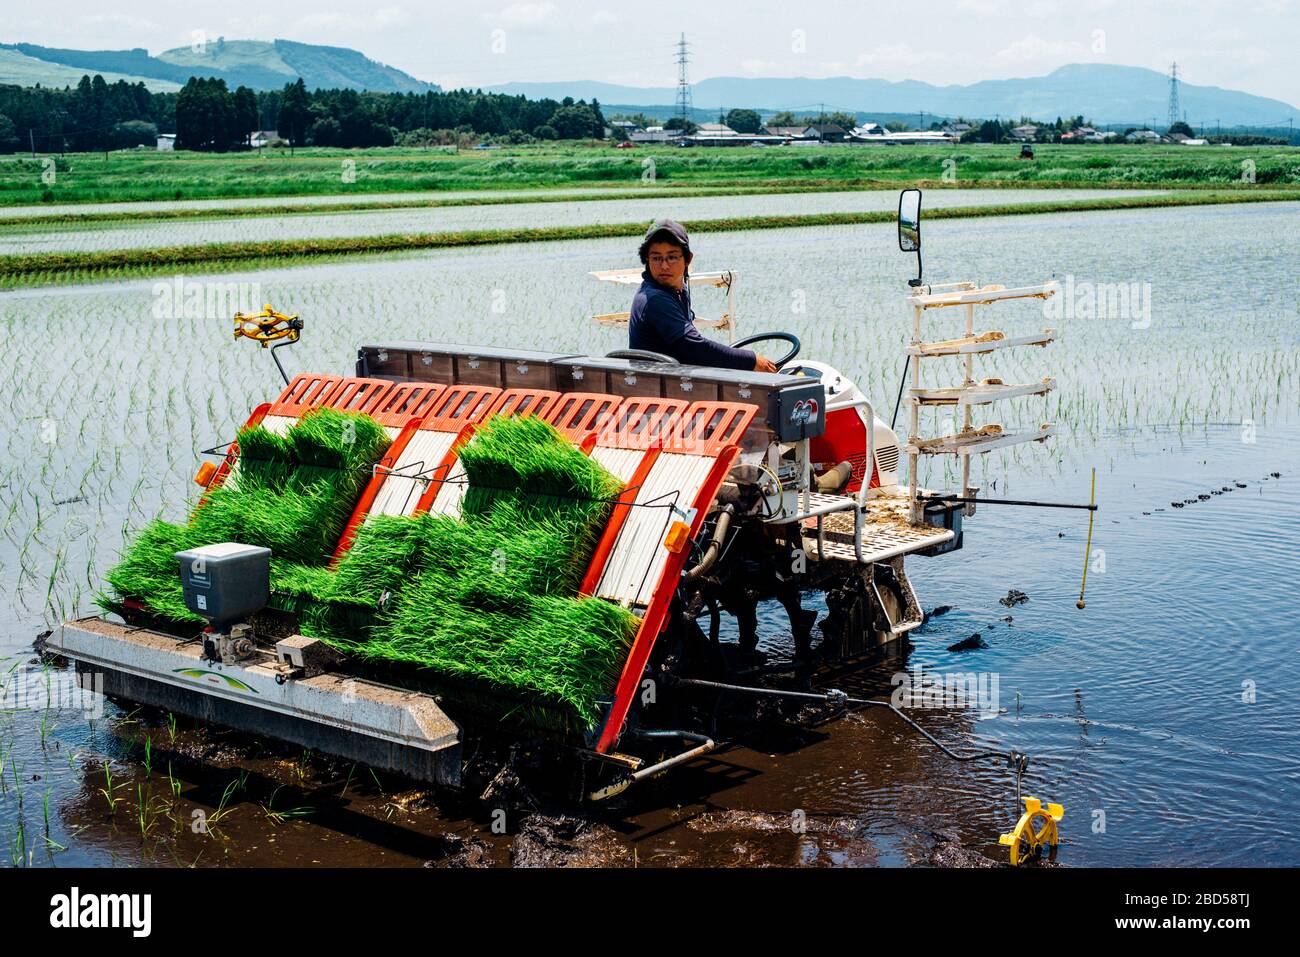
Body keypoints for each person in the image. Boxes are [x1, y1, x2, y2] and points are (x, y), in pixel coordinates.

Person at [629, 219, 778, 372]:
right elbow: (695, 348)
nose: (664, 265)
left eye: (672, 257)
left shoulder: (677, 291)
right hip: (658, 388)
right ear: (647, 260)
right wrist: (751, 360)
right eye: (656, 258)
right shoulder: (655, 299)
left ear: (687, 259)